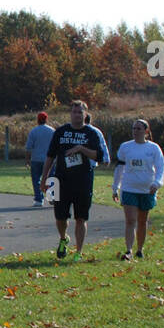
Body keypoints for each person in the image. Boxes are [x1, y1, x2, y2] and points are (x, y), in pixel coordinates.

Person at [39, 100, 107, 261]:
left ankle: (78, 252)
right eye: (74, 112)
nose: (76, 115)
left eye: (80, 112)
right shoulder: (61, 132)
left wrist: (81, 149)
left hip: (83, 180)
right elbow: (50, 156)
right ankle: (63, 239)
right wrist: (44, 178)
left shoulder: (91, 133)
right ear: (70, 113)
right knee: (60, 217)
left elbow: (99, 156)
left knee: (81, 217)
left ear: (85, 114)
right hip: (61, 180)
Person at [112, 118, 164, 260]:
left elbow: (160, 168)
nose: (135, 131)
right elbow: (119, 168)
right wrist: (115, 187)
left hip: (147, 190)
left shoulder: (153, 148)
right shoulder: (125, 147)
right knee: (130, 220)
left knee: (142, 221)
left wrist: (157, 183)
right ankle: (128, 250)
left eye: (139, 129)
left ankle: (139, 249)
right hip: (129, 188)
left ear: (146, 131)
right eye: (133, 129)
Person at [24, 111, 54, 207]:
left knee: (36, 179)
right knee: (51, 178)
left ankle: (38, 199)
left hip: (36, 159)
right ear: (46, 119)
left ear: (38, 120)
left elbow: (28, 147)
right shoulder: (52, 131)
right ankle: (51, 197)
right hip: (49, 159)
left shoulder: (34, 131)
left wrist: (27, 160)